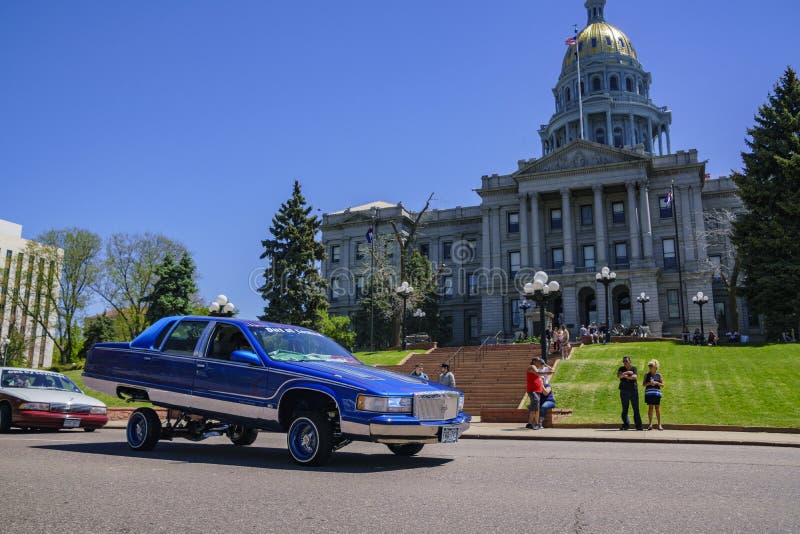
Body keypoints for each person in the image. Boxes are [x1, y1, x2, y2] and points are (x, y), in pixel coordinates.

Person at [617, 356, 643, 430]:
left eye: (626, 361)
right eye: (624, 361)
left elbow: (634, 377)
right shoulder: (621, 369)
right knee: (625, 409)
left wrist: (625, 376)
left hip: (633, 391)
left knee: (636, 409)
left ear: (630, 361)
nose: (625, 362)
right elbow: (619, 376)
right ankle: (626, 425)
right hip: (623, 391)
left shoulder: (634, 368)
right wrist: (627, 373)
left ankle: (638, 426)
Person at [643, 359, 664, 430]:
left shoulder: (659, 375)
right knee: (650, 408)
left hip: (657, 394)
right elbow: (644, 384)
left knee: (657, 408)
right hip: (649, 394)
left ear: (655, 367)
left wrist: (657, 383)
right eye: (649, 366)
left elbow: (662, 385)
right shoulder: (646, 375)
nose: (650, 367)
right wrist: (649, 383)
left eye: (651, 366)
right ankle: (650, 424)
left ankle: (659, 425)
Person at [525, 357, 545, 430]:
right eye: (538, 361)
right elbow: (537, 373)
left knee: (535, 406)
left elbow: (538, 373)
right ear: (534, 361)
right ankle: (536, 423)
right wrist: (547, 373)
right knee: (536, 405)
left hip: (537, 390)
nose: (539, 363)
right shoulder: (532, 367)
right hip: (533, 390)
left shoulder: (536, 368)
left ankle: (530, 423)